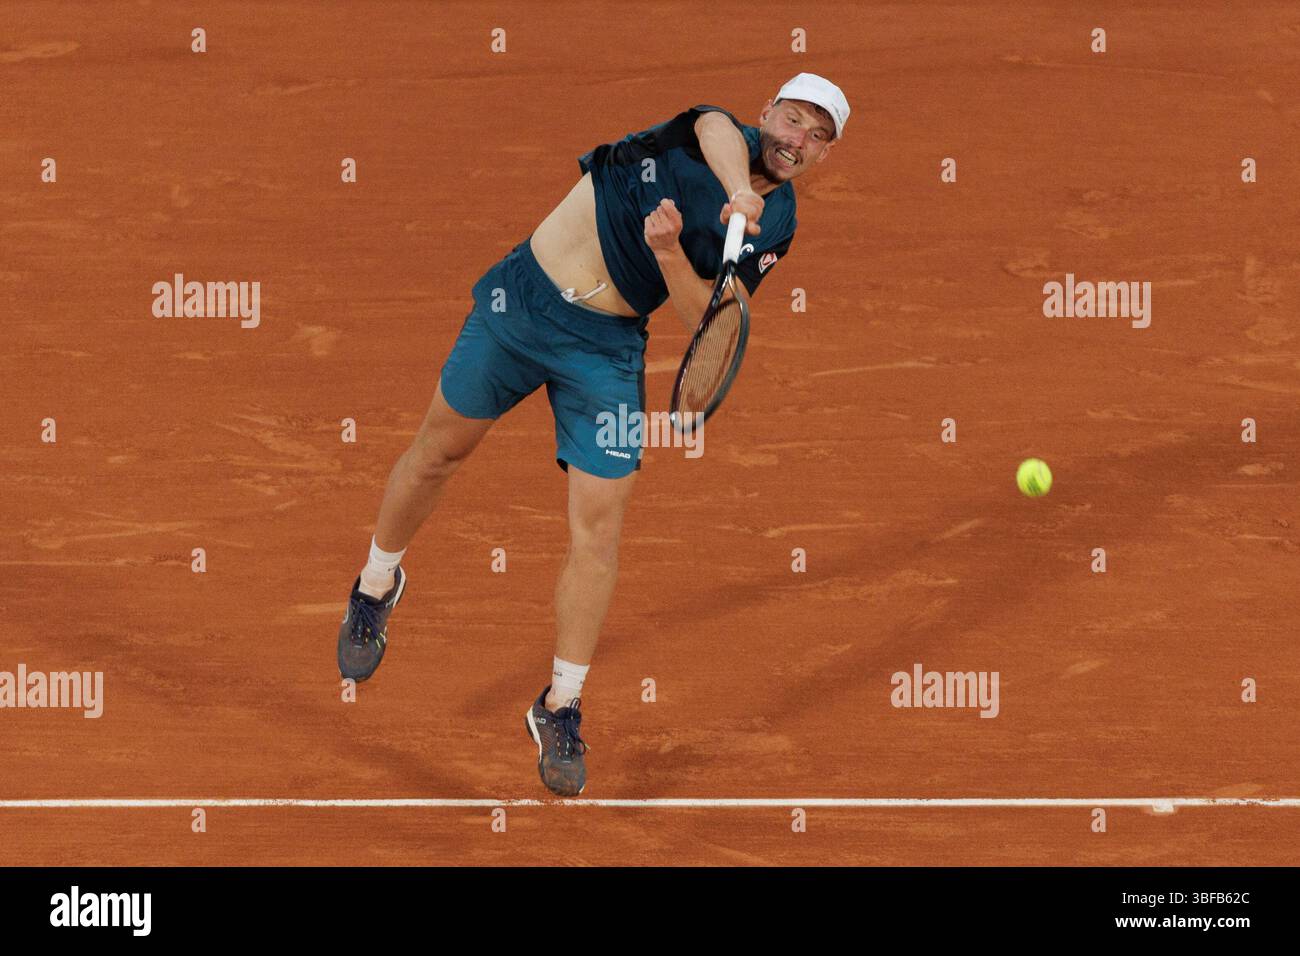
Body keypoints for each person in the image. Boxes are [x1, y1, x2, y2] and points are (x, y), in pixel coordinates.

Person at [336, 73, 849, 796]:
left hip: (604, 353)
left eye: (818, 138)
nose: (799, 141)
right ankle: (376, 585)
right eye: (794, 120)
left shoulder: (780, 222)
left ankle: (560, 706)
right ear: (766, 112)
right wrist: (737, 192)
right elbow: (714, 134)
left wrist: (670, 252)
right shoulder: (707, 133)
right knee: (438, 453)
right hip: (519, 306)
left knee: (598, 528)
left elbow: (714, 322)